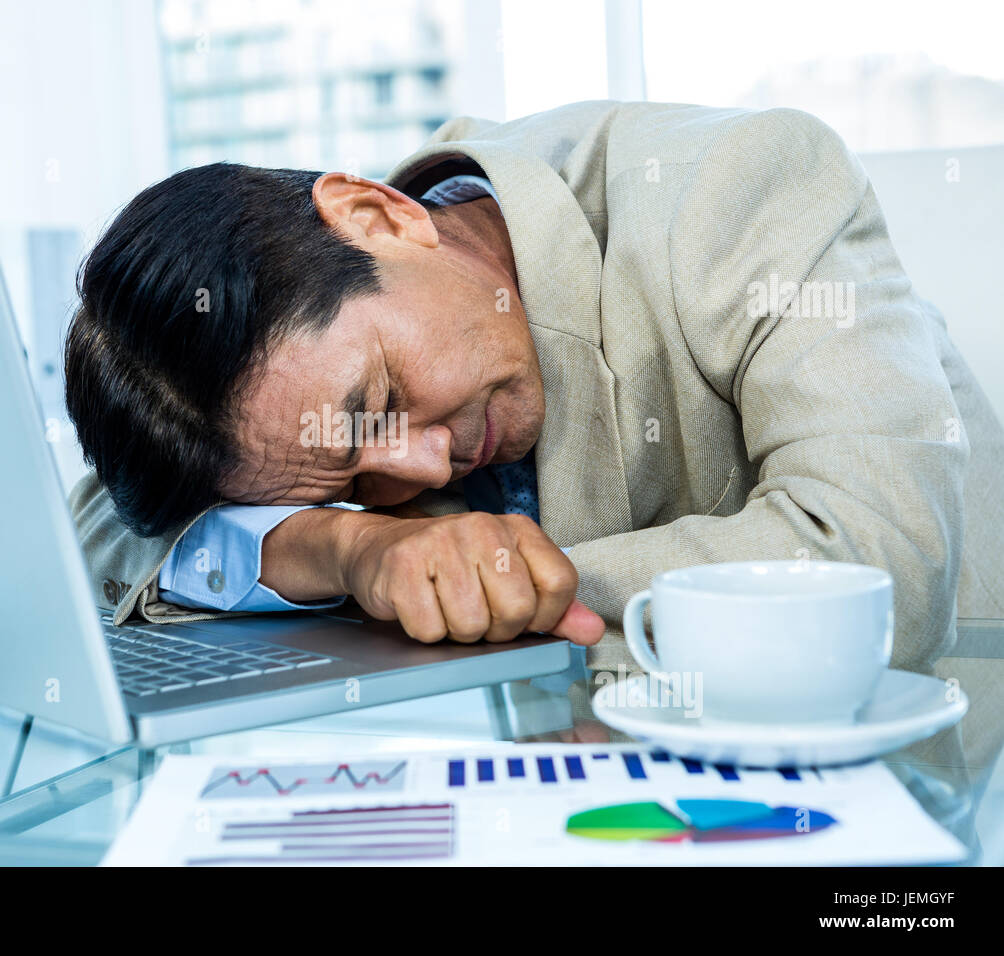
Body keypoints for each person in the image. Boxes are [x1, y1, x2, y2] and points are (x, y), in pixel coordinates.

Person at [63, 101, 1004, 673]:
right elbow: (94, 528)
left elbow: (879, 565)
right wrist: (345, 547)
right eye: (352, 479)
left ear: (380, 216)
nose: (421, 466)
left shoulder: (741, 184)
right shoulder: (301, 353)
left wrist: (457, 591)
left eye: (378, 403)